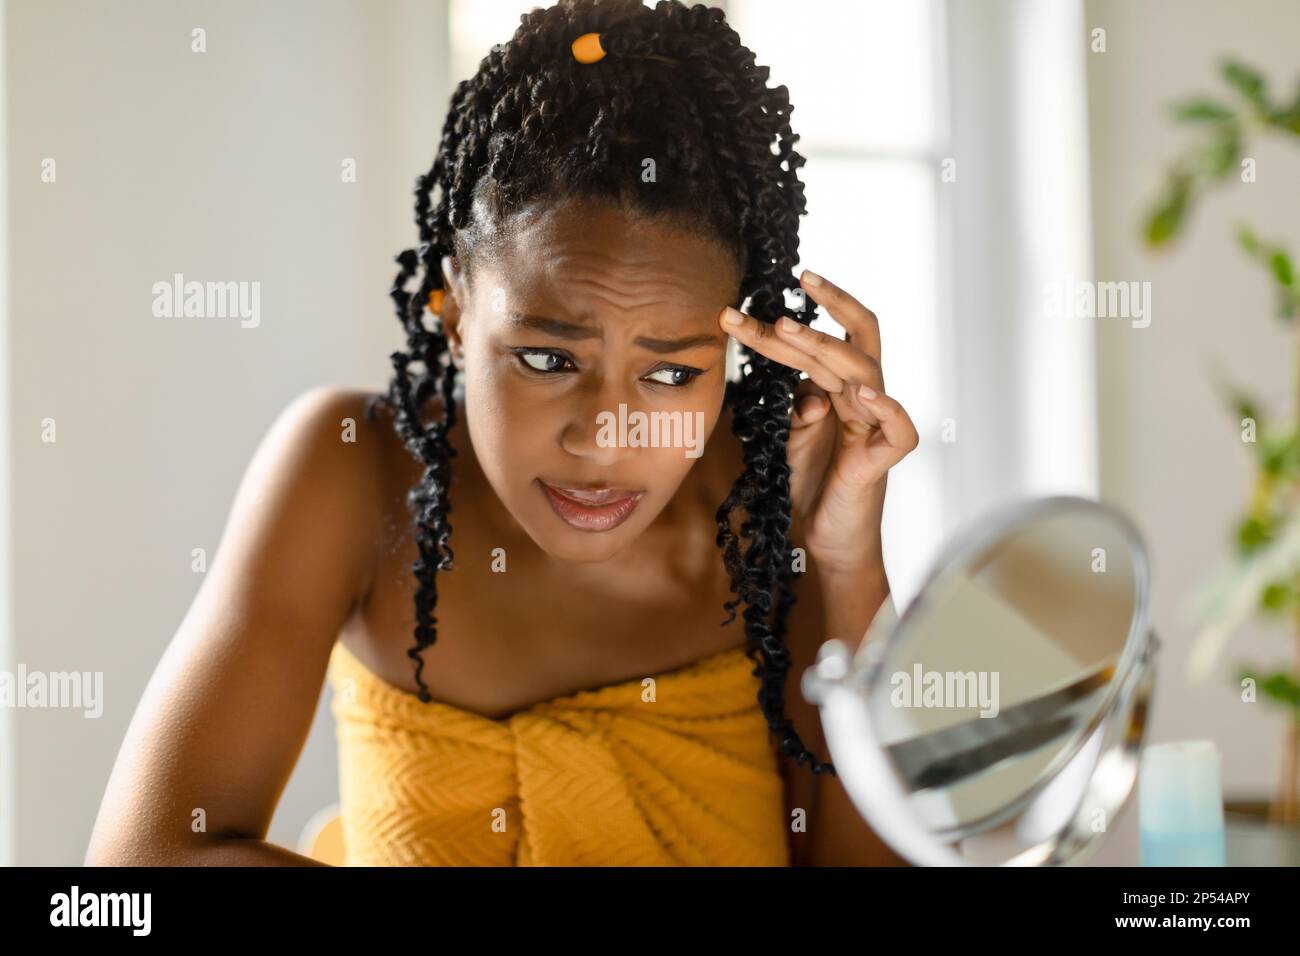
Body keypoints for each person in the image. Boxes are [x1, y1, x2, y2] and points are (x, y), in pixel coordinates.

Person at [86, 0, 918, 867]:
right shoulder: (353, 471)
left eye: (671, 373)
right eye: (549, 360)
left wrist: (846, 562)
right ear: (451, 314)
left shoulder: (769, 502)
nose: (603, 440)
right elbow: (129, 881)